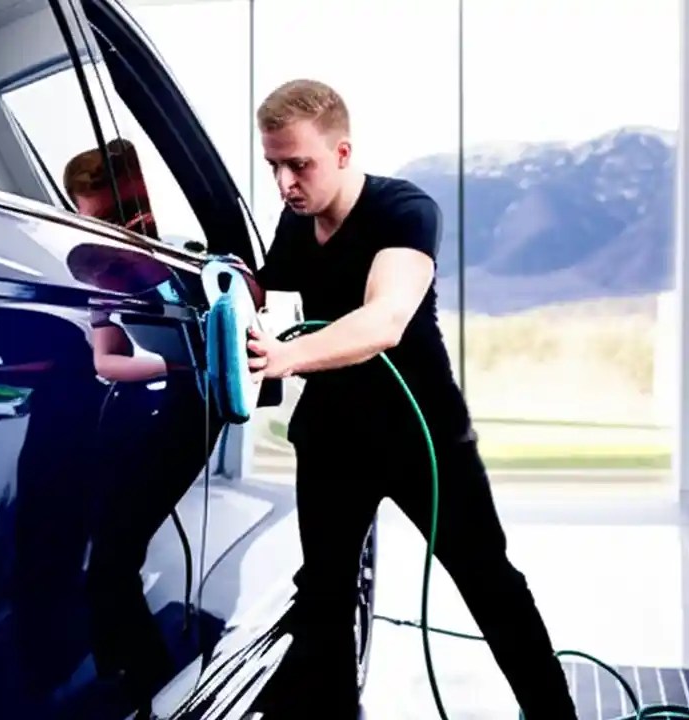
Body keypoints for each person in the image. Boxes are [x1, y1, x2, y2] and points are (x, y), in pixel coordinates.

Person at [242, 79, 578, 718]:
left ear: (342, 153)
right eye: (274, 166)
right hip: (334, 438)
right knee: (323, 599)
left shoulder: (405, 210)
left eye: (299, 164)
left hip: (421, 435)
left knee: (490, 583)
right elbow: (267, 304)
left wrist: (284, 356)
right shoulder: (294, 225)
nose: (285, 183)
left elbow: (384, 320)